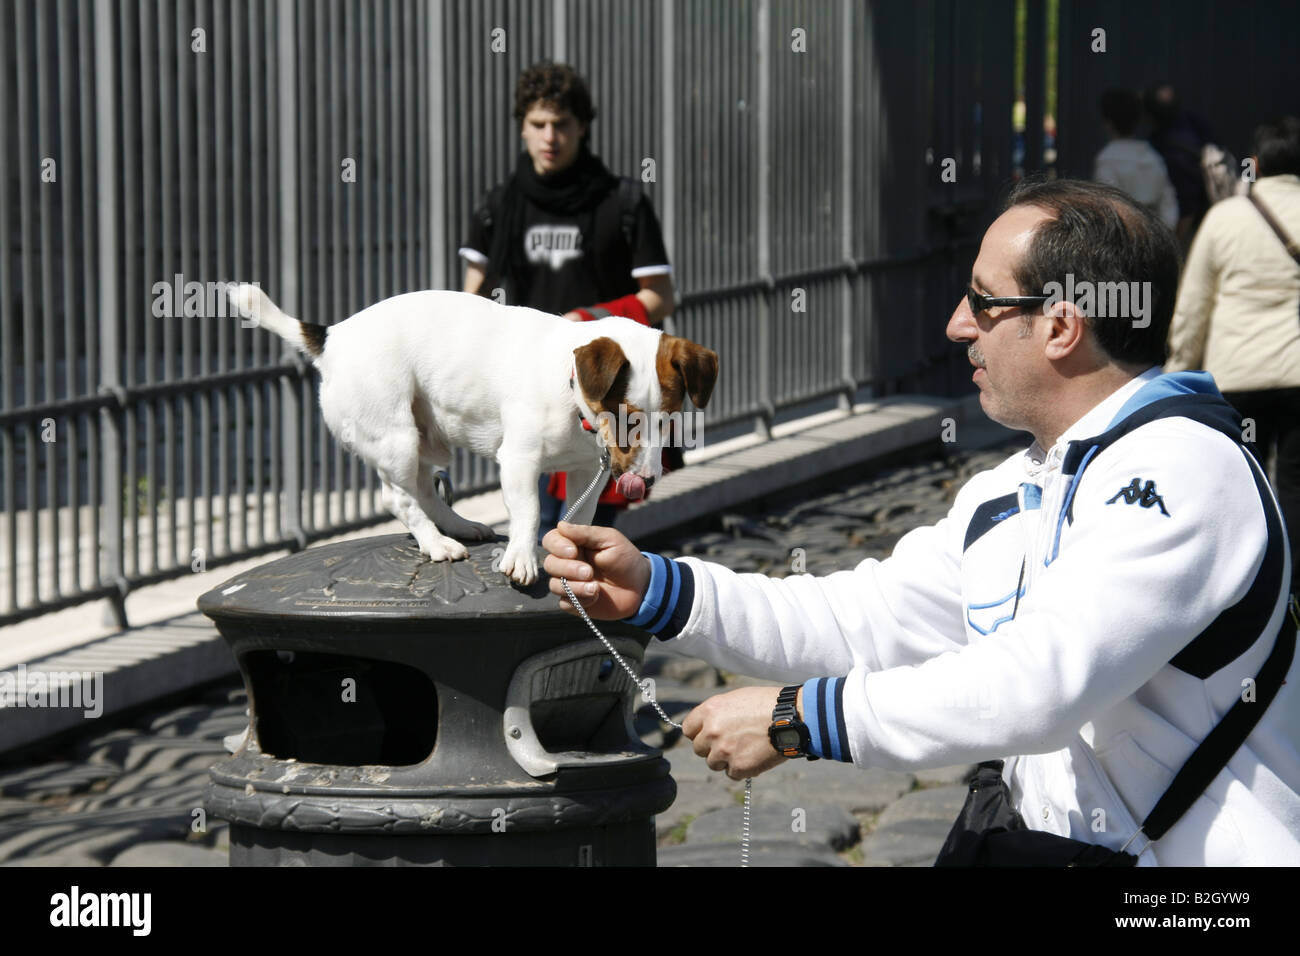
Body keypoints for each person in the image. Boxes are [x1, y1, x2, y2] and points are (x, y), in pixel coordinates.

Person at [542, 178, 1300, 866]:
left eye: (983, 300)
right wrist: (659, 590)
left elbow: (1039, 683)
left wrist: (796, 719)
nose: (956, 325)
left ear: (1063, 326)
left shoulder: (1181, 469)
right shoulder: (1019, 484)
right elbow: (865, 619)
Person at [459, 61, 676, 541]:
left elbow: (659, 298)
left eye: (562, 124)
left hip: (604, 395)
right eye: (538, 124)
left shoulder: (623, 205)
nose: (550, 136)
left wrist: (587, 321)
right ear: (522, 127)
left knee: (573, 535)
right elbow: (469, 304)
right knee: (541, 532)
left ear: (583, 126)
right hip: (525, 394)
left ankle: (579, 610)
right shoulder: (496, 208)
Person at [1167, 116, 1300, 597]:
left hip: (1237, 377)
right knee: (1296, 490)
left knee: (1239, 489)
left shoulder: (1225, 218)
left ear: (1257, 164)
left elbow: (1193, 306)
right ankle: (1292, 596)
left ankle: (1244, 592)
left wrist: (1179, 372)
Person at [1093, 88, 1177, 229]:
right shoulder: (1153, 158)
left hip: (1124, 238)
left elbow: (1108, 209)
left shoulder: (1106, 161)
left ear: (1108, 123)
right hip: (1155, 234)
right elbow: (1169, 205)